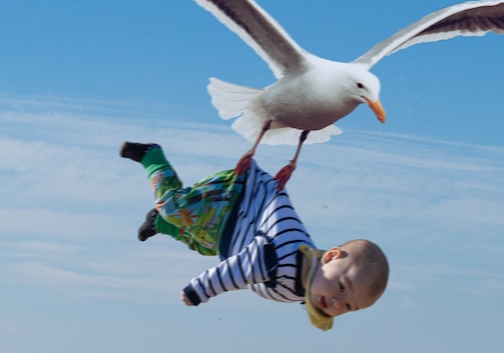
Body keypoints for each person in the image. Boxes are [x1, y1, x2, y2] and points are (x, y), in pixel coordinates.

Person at [121, 141, 387, 329]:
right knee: (173, 207)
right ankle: (151, 156)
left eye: (349, 307)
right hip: (238, 200)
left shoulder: (310, 282)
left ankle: (160, 224)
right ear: (330, 257)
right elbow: (240, 269)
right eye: (342, 288)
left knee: (202, 244)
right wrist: (199, 290)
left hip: (234, 234)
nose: (338, 303)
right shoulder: (280, 257)